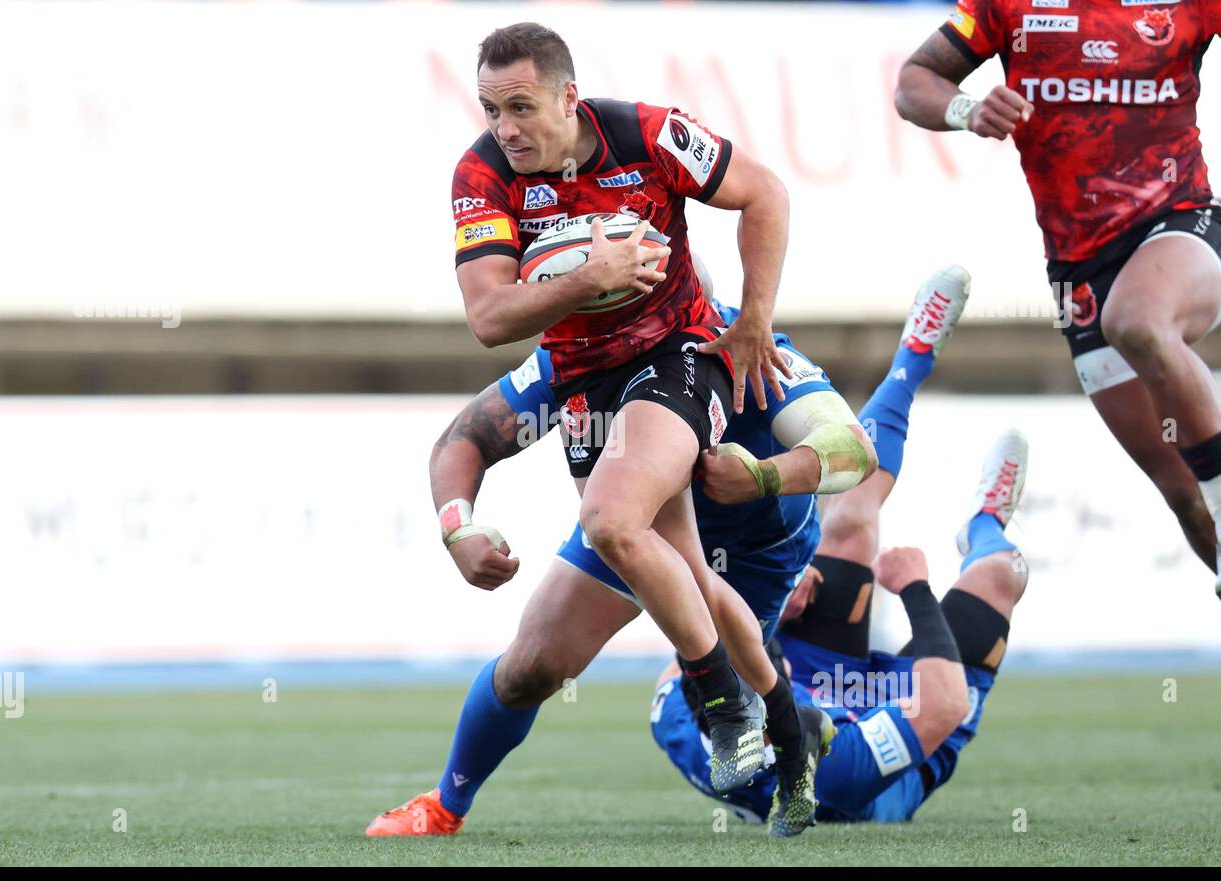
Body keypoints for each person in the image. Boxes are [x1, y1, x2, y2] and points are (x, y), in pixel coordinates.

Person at [365, 265, 969, 838]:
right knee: (532, 667)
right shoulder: (575, 347)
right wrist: (458, 526)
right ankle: (446, 804)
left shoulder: (744, 345)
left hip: (754, 544)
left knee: (730, 707)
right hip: (632, 523)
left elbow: (850, 449)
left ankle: (911, 359)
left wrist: (762, 475)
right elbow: (466, 437)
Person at [449, 21, 857, 807]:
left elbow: (763, 192)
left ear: (569, 97)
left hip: (679, 358)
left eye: (520, 107)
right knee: (681, 575)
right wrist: (587, 277)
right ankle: (782, 715)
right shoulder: (482, 173)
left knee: (608, 518)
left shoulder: (650, 133)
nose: (505, 128)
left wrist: (754, 323)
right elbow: (490, 317)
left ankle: (723, 710)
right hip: (583, 386)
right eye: (491, 109)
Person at [894, 0, 1221, 597]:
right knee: (1182, 493)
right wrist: (968, 108)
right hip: (1078, 274)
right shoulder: (1009, 5)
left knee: (1141, 322)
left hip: (1179, 224)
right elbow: (914, 82)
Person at [651, 426, 1029, 825]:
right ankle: (984, 524)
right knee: (1003, 573)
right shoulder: (833, 770)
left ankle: (912, 363)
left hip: (822, 701)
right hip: (901, 747)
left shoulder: (677, 714)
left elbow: (691, 652)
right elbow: (946, 701)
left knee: (848, 520)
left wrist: (778, 605)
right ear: (782, 679)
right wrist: (914, 587)